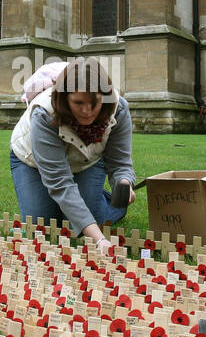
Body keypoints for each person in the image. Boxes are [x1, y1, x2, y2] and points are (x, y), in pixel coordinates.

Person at [10, 57, 136, 250]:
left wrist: (124, 183)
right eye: (78, 103)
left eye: (94, 103)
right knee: (41, 225)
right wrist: (100, 240)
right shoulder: (44, 114)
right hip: (32, 162)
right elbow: (60, 183)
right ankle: (82, 199)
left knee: (84, 219)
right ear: (64, 98)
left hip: (87, 162)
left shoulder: (119, 109)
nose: (87, 111)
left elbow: (120, 162)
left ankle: (100, 201)